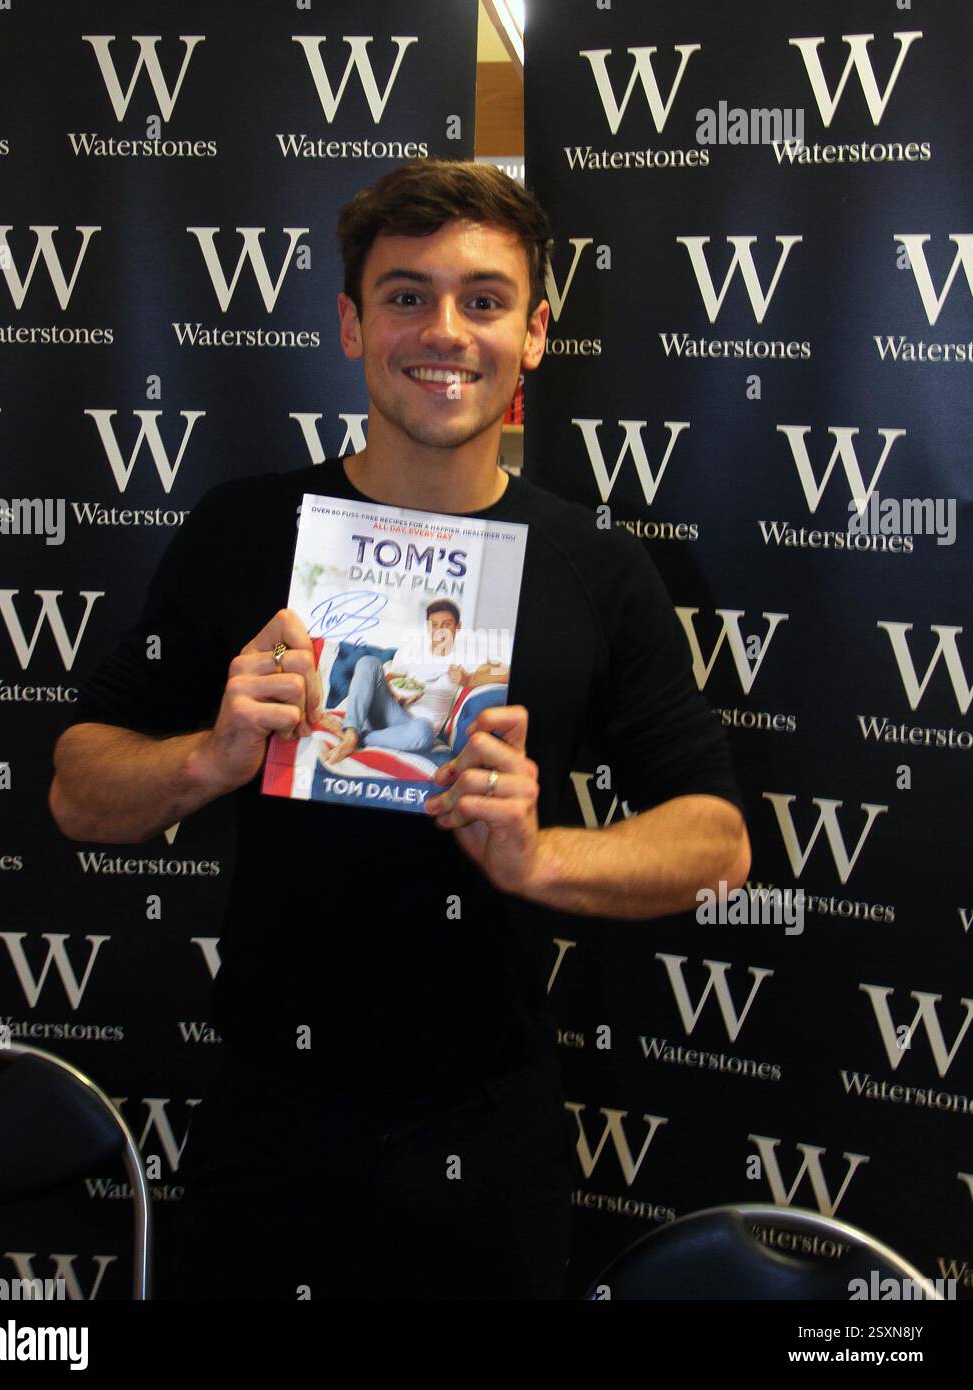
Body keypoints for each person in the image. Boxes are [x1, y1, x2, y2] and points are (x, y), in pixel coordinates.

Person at [49, 159, 750, 1300]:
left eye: (483, 299)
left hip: (492, 1125)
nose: (444, 330)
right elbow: (80, 788)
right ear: (349, 323)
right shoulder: (242, 530)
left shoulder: (600, 565)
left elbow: (716, 841)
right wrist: (209, 755)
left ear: (532, 334)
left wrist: (542, 854)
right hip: (268, 1114)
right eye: (405, 294)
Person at [322, 599, 506, 764]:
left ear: (457, 627)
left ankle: (361, 738)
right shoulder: (411, 651)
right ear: (428, 627)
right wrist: (397, 694)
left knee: (424, 730)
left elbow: (506, 672)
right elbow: (389, 678)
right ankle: (352, 732)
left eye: (447, 625)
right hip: (392, 713)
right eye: (435, 625)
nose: (440, 631)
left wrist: (469, 679)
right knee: (368, 662)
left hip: (416, 729)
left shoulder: (466, 658)